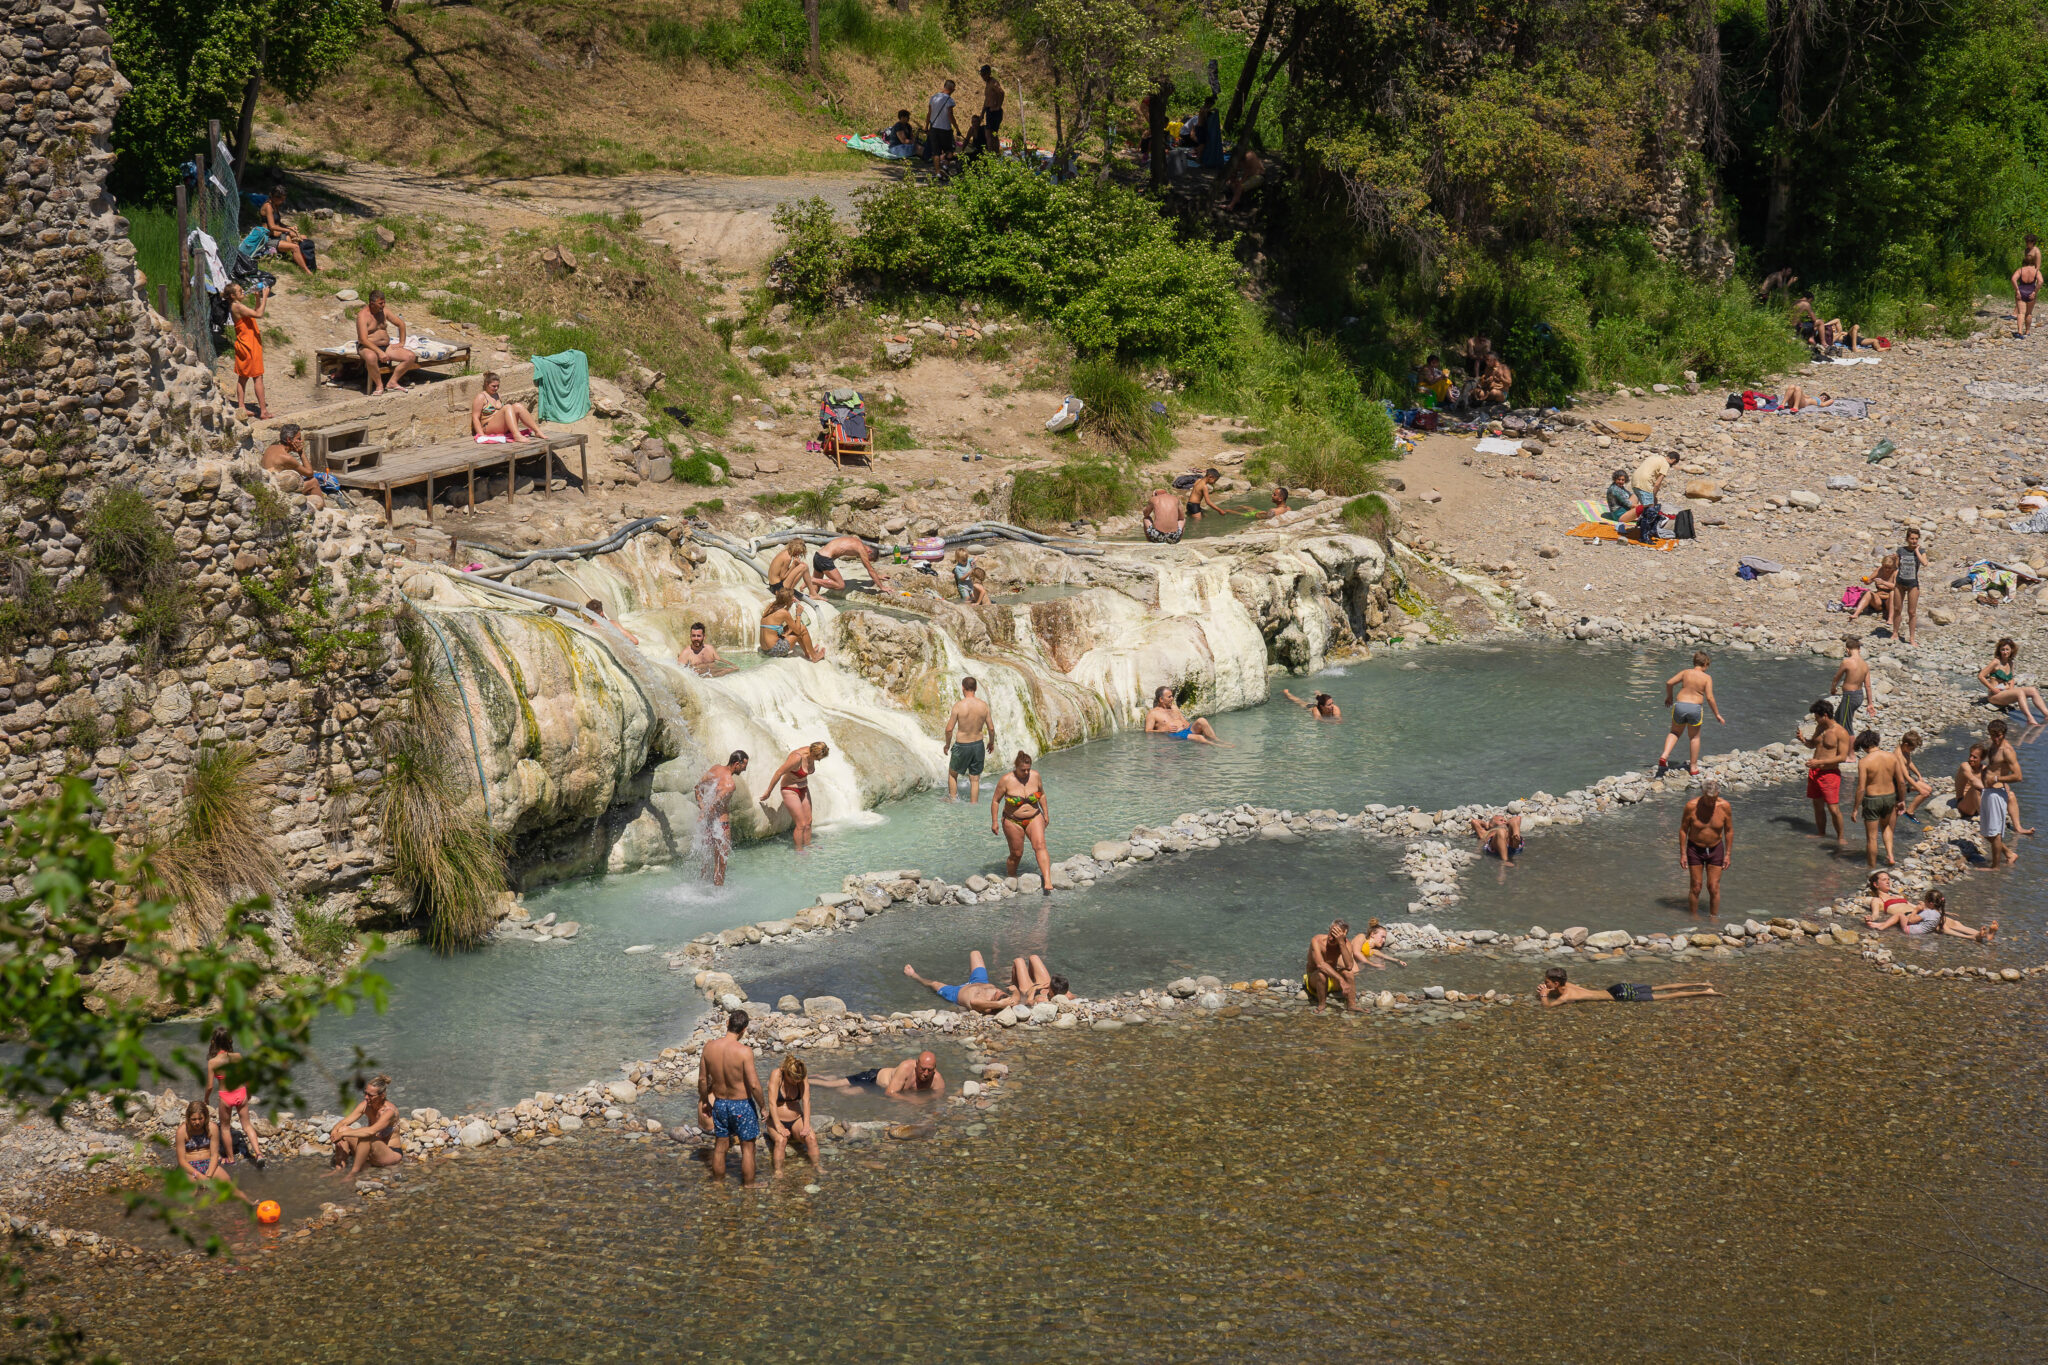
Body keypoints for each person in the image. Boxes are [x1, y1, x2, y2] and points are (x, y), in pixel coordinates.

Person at [697, 1012, 765, 1187]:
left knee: (720, 1147)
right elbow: (755, 1085)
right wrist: (763, 1107)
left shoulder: (709, 1047)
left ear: (727, 1023)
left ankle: (718, 1183)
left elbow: (703, 1080)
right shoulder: (744, 1052)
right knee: (748, 1148)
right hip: (742, 1104)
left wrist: (705, 1101)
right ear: (744, 1030)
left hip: (719, 1103)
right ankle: (749, 1184)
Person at [990, 749, 1053, 890]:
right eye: (1022, 770)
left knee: (1040, 846)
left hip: (1034, 816)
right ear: (1015, 767)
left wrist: (1046, 814)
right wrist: (994, 822)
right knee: (1016, 854)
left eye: (1028, 770)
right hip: (1012, 820)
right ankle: (1012, 879)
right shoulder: (1006, 780)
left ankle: (1048, 881)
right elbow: (995, 801)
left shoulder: (1035, 776)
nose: (1026, 773)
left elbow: (1041, 795)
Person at [1657, 652, 1725, 777]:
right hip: (1695, 708)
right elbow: (1710, 697)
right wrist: (1717, 714)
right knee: (1694, 737)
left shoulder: (1685, 672)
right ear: (1705, 664)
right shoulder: (1707, 678)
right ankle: (1693, 767)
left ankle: (1664, 756)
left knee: (1675, 732)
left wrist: (1669, 697)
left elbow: (1669, 683)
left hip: (1680, 706)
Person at [207, 1026, 266, 1168]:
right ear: (230, 1041)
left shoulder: (212, 1062)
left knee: (225, 1128)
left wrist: (206, 1099)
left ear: (213, 1042)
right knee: (247, 1125)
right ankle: (258, 1154)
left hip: (225, 1097)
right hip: (241, 1092)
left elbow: (209, 1086)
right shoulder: (238, 1057)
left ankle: (230, 1158)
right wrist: (249, 1092)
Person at [173, 1100, 252, 1204]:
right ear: (188, 1118)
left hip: (208, 1163)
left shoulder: (212, 1128)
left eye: (200, 1118)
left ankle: (249, 1203)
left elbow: (214, 1155)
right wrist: (199, 1176)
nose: (197, 1122)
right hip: (189, 1166)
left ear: (205, 1117)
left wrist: (208, 1176)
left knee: (227, 1182)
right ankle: (189, 1214)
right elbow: (181, 1161)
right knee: (192, 1191)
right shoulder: (182, 1131)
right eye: (193, 1119)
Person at [329, 1075, 402, 1180]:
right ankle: (339, 1168)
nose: (366, 1097)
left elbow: (371, 1131)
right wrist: (335, 1131)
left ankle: (354, 1172)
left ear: (382, 1095)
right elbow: (344, 1121)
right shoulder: (365, 1105)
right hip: (370, 1151)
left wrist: (343, 1134)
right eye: (365, 1093)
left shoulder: (389, 1111)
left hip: (389, 1154)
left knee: (365, 1136)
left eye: (370, 1095)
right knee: (342, 1129)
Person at [1799, 699, 1851, 846]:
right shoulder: (1820, 727)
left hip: (1829, 774)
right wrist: (1803, 740)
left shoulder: (1841, 732)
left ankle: (1840, 837)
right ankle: (1821, 833)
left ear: (1826, 715)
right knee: (1817, 805)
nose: (1816, 719)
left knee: (1833, 808)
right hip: (1814, 772)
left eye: (1817, 716)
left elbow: (1842, 757)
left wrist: (1820, 763)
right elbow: (1812, 745)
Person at [693, 750, 749, 886]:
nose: (745, 769)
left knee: (706, 860)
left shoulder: (716, 768)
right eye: (744, 765)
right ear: (737, 764)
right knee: (721, 862)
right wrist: (704, 812)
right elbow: (714, 805)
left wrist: (701, 808)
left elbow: (697, 788)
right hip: (721, 824)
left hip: (708, 823)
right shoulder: (730, 785)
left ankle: (701, 888)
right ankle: (718, 893)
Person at [1679, 781, 1732, 918]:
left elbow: (1729, 831)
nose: (1711, 803)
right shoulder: (1691, 806)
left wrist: (1728, 854)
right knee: (1696, 886)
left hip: (1715, 848)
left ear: (1718, 794)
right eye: (1708, 799)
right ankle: (1694, 918)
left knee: (1713, 887)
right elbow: (1684, 830)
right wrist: (1683, 854)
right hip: (1695, 848)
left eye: (1713, 799)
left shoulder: (1725, 806)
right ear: (1702, 794)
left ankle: (1713, 919)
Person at [904, 952, 1022, 1014]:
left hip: (956, 992)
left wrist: (1000, 1004)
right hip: (980, 981)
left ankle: (914, 975)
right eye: (1000, 991)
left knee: (935, 984)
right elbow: (1015, 998)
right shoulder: (1006, 1000)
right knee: (975, 953)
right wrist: (1015, 990)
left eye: (998, 994)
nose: (998, 990)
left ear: (995, 1001)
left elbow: (974, 1002)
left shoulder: (987, 1007)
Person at [1539, 967, 1722, 1006]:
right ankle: (1702, 983)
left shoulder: (1566, 996)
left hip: (1619, 996)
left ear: (1556, 983)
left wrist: (1544, 995)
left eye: (1547, 982)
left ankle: (1706, 992)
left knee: (1666, 996)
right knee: (1661, 987)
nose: (1545, 983)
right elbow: (1560, 987)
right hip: (1617, 987)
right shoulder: (1567, 985)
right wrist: (1551, 989)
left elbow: (1548, 1008)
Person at [764, 741, 829, 851]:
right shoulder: (796, 758)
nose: (818, 760)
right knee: (801, 824)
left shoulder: (813, 752)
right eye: (818, 758)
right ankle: (799, 850)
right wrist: (769, 791)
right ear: (812, 752)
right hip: (790, 789)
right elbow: (779, 773)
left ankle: (808, 845)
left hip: (804, 788)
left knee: (808, 821)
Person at [1852, 729, 1902, 867]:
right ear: (1876, 741)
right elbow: (1901, 782)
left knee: (1872, 837)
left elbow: (1861, 788)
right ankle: (1890, 856)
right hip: (1890, 797)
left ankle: (1871, 868)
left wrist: (1855, 808)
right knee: (1886, 827)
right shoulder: (1892, 757)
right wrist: (1902, 800)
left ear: (1863, 746)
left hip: (1873, 799)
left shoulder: (1864, 762)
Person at [942, 675, 996, 803]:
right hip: (978, 745)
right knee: (975, 779)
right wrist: (991, 743)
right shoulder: (983, 706)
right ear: (976, 688)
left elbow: (949, 729)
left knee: (953, 774)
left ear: (963, 688)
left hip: (962, 745)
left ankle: (953, 799)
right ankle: (974, 804)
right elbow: (991, 728)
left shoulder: (958, 706)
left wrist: (947, 745)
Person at [764, 1056, 820, 1177]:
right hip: (775, 1120)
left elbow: (806, 1101)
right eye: (793, 1079)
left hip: (796, 1119)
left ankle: (816, 1166)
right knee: (781, 1140)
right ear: (786, 1072)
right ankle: (778, 1171)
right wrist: (778, 1126)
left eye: (797, 1080)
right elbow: (772, 1103)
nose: (796, 1082)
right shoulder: (776, 1074)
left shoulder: (801, 1075)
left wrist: (806, 1125)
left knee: (811, 1137)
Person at [354, 289, 418, 396]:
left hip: (386, 346)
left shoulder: (384, 312)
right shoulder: (363, 316)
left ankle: (392, 382)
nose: (383, 305)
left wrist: (402, 342)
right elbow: (363, 339)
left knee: (410, 356)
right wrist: (379, 352)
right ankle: (379, 385)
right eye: (380, 303)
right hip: (368, 347)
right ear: (372, 303)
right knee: (371, 357)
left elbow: (401, 324)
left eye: (384, 302)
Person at [226, 281, 270, 419]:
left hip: (245, 344)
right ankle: (263, 411)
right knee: (258, 377)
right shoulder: (237, 306)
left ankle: (241, 407)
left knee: (243, 377)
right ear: (233, 295)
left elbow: (254, 312)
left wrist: (257, 298)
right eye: (240, 291)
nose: (243, 292)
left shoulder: (236, 305)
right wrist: (265, 297)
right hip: (249, 345)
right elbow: (259, 314)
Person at [1979, 637, 2047, 723]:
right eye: (2002, 650)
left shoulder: (2010, 663)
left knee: (2033, 690)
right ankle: (2030, 718)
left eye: (2007, 649)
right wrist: (1992, 688)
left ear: (2011, 650)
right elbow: (1981, 676)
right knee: (2019, 692)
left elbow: (2011, 679)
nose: (2005, 652)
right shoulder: (1996, 662)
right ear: (1999, 651)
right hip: (1995, 696)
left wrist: (2011, 690)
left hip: (2005, 693)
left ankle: (2046, 714)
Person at [818, 1051, 944, 1097]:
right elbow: (890, 1093)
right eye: (923, 1069)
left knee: (848, 1093)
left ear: (935, 1068)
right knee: (832, 1086)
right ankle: (812, 1080)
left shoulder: (936, 1079)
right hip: (872, 1079)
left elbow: (938, 1099)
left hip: (878, 1091)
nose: (926, 1073)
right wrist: (914, 1102)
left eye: (930, 1070)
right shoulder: (906, 1067)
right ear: (917, 1064)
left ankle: (833, 1078)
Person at [1986, 717, 2033, 840]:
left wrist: (1997, 779)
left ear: (2004, 734)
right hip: (1986, 784)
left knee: (2011, 796)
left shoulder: (2007, 751)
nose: (1995, 739)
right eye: (1992, 735)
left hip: (1993, 785)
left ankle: (2018, 828)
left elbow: (2018, 776)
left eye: (1998, 736)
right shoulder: (1993, 744)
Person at [261, 424, 328, 509]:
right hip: (277, 492)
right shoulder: (286, 458)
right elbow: (310, 473)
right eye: (298, 439)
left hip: (267, 486)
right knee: (313, 482)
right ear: (289, 440)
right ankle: (325, 510)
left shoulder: (271, 447)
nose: (301, 441)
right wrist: (301, 452)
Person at [1303, 919, 1359, 1013]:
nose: (1331, 938)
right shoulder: (1317, 940)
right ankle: (1322, 1005)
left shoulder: (1345, 943)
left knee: (1349, 973)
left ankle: (1351, 1005)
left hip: (1333, 979)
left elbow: (1349, 966)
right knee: (1321, 974)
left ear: (1342, 936)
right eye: (1331, 934)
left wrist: (1341, 942)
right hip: (1316, 980)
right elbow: (1320, 965)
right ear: (1329, 929)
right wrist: (1341, 980)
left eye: (1335, 936)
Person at [470, 370, 542, 440]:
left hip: (501, 427)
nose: (496, 388)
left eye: (498, 386)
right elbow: (475, 417)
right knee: (507, 407)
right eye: (493, 386)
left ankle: (537, 431)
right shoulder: (481, 397)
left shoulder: (497, 395)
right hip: (488, 428)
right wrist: (482, 436)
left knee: (518, 406)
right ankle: (517, 435)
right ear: (486, 384)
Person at [759, 587, 824, 662]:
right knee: (802, 629)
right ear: (787, 601)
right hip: (775, 650)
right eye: (792, 597)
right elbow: (798, 631)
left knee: (794, 625)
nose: (794, 598)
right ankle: (814, 656)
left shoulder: (770, 606)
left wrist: (788, 605)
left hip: (765, 649)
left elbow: (779, 617)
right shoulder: (784, 613)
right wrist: (798, 614)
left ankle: (808, 652)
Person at [257, 186, 313, 272]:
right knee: (295, 247)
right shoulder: (268, 206)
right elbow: (272, 226)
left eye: (284, 199)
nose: (282, 201)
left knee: (303, 238)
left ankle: (310, 264)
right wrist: (288, 230)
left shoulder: (275, 205)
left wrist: (289, 227)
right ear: (274, 197)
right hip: (269, 239)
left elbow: (278, 223)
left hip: (278, 236)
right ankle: (307, 271)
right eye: (281, 199)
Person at [1145, 685, 1227, 745]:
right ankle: (1218, 746)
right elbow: (1148, 731)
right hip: (1175, 734)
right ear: (1161, 699)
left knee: (1202, 721)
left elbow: (1183, 719)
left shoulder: (1174, 707)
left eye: (1172, 696)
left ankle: (1216, 740)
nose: (1172, 698)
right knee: (1200, 737)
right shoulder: (1153, 713)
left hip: (1187, 730)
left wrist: (1186, 724)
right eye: (1169, 697)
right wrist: (1164, 730)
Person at [810, 534, 888, 592]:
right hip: (824, 559)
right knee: (840, 585)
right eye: (869, 559)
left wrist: (877, 577)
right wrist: (882, 587)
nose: (867, 560)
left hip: (818, 556)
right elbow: (870, 569)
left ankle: (812, 594)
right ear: (869, 552)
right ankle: (812, 580)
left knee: (815, 590)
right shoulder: (861, 549)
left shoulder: (857, 541)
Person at [1892, 527, 1929, 644]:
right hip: (1900, 583)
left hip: (1913, 584)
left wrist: (1917, 551)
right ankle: (1895, 633)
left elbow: (1925, 563)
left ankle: (1912, 638)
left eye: (1916, 539)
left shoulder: (1921, 551)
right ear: (1907, 539)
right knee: (1897, 609)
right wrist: (1895, 559)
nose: (1914, 541)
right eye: (1912, 538)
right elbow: (1897, 566)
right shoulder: (1901, 550)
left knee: (1912, 612)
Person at [1831, 635, 1871, 734]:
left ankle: (1849, 748)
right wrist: (1870, 703)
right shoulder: (1865, 665)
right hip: (1859, 696)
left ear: (1847, 649)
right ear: (1859, 649)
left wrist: (1833, 688)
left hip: (1850, 696)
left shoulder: (1847, 662)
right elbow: (1868, 686)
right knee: (1838, 717)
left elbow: (1836, 677)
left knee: (1845, 726)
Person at [1897, 730, 1935, 821]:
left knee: (1929, 789)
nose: (1913, 750)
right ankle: (1908, 813)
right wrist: (1919, 788)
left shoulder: (1905, 749)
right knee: (1924, 792)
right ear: (1906, 744)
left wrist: (1919, 775)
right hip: (1900, 783)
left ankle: (1909, 811)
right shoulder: (1898, 755)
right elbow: (1906, 776)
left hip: (1907, 780)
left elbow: (1909, 762)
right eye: (1912, 748)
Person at [1851, 556, 1899, 625]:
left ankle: (1890, 618)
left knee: (1893, 593)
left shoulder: (1895, 572)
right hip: (1878, 600)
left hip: (1889, 600)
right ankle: (1856, 614)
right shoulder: (1879, 570)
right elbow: (1869, 581)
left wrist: (1883, 582)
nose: (1887, 569)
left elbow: (1896, 586)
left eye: (1889, 568)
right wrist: (1866, 580)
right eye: (1885, 567)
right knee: (1868, 593)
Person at [1222, 143, 1265, 212]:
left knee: (1240, 186)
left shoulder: (1249, 156)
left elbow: (1246, 173)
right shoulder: (1239, 159)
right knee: (1231, 183)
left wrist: (1239, 182)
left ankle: (1231, 206)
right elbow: (1234, 171)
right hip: (1249, 176)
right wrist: (1232, 179)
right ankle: (1237, 200)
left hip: (1258, 176)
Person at [925, 79, 958, 163]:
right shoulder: (949, 100)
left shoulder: (934, 97)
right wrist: (957, 128)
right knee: (949, 150)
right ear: (952, 89)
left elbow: (929, 113)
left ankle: (938, 172)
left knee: (936, 152)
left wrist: (926, 127)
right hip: (945, 129)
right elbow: (950, 115)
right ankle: (945, 167)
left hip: (934, 128)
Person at [1953, 744, 1988, 819]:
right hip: (1964, 804)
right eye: (1970, 755)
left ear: (1982, 758)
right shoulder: (1965, 766)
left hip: (1980, 803)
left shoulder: (1985, 769)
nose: (1971, 759)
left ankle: (2017, 828)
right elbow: (1973, 780)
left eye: (1975, 757)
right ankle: (1986, 820)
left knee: (2010, 795)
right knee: (1976, 788)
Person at [2015, 252, 2041, 339]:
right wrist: (2035, 292)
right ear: (2033, 262)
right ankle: (2027, 331)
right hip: (2031, 293)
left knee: (2021, 313)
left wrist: (2017, 290)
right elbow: (2041, 281)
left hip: (2021, 292)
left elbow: (2013, 279)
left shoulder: (2020, 270)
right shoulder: (2036, 271)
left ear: (2024, 262)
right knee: (2029, 313)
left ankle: (2019, 331)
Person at [979, 64, 1004, 138]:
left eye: (984, 74)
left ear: (989, 73)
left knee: (992, 133)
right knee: (989, 133)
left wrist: (998, 106)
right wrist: (982, 113)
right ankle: (990, 149)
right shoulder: (988, 83)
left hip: (994, 112)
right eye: (982, 74)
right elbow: (987, 100)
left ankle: (992, 149)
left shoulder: (993, 82)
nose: (983, 76)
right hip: (989, 111)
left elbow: (1001, 92)